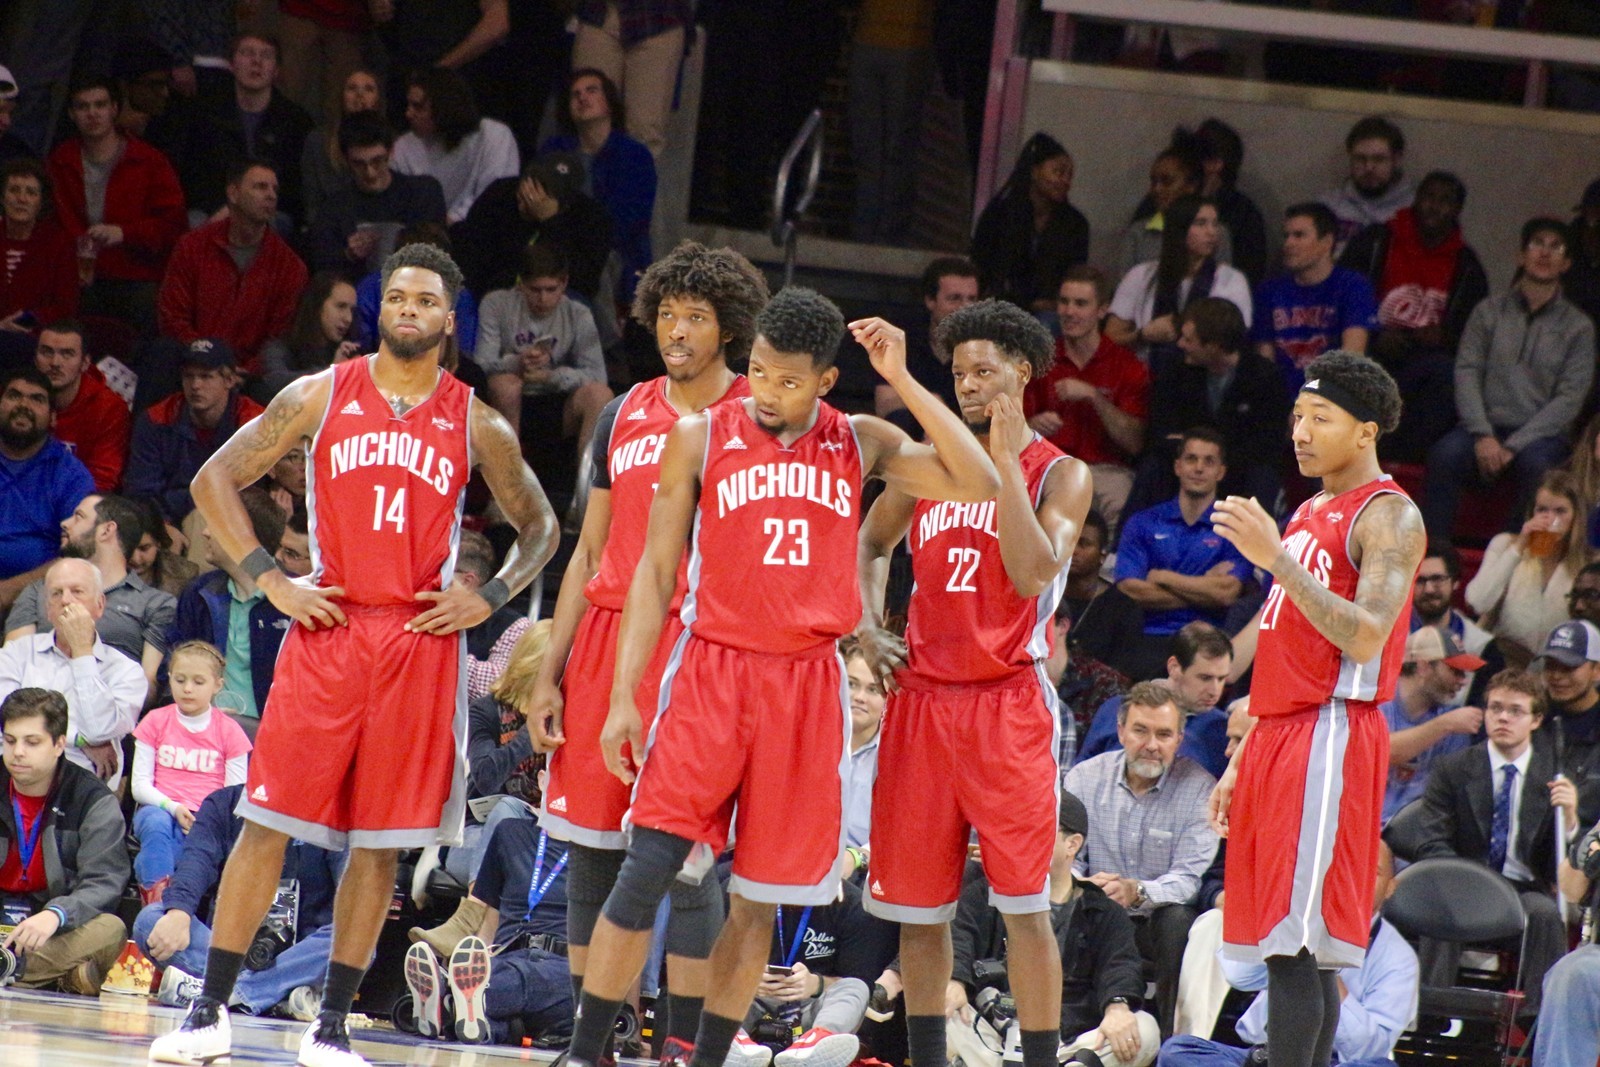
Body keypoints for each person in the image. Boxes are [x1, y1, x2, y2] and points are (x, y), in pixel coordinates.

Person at [555, 287, 1000, 1067]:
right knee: (647, 867)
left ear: (826, 381)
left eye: (788, 380)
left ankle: (706, 1058)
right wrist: (626, 695)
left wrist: (906, 374)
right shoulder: (699, 435)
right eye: (758, 371)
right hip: (710, 674)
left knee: (756, 898)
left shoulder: (860, 440)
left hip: (805, 686)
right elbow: (656, 575)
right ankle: (586, 1051)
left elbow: (980, 480)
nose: (766, 391)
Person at [148, 241, 559, 1067]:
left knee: (380, 842)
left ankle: (330, 1027)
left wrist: (490, 595)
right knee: (265, 823)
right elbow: (212, 482)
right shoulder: (319, 394)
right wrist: (270, 578)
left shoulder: (476, 417)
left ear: (449, 317)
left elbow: (543, 526)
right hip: (328, 630)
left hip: (417, 645)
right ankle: (209, 1010)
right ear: (384, 309)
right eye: (396, 296)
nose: (407, 309)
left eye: (423, 300)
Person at [525, 241, 767, 1053]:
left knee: (687, 860)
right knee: (592, 852)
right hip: (602, 638)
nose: (677, 329)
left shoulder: (753, 418)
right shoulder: (622, 411)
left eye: (696, 316)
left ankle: (686, 1042)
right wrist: (547, 673)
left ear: (729, 328)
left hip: (698, 645)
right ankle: (604, 1034)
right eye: (667, 313)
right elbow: (586, 552)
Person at [856, 297, 1091, 1067]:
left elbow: (1030, 570)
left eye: (984, 371)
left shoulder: (1065, 474)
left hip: (1006, 708)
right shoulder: (930, 465)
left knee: (1026, 910)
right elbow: (870, 541)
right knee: (920, 915)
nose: (967, 385)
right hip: (922, 703)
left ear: (1022, 374)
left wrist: (1003, 467)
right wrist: (867, 625)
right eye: (957, 373)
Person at [1208, 350, 1424, 1067]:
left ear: (1365, 431)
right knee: (1293, 945)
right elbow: (1279, 648)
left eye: (1319, 418)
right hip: (1283, 729)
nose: (1299, 431)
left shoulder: (1389, 513)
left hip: (1333, 728)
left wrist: (1278, 560)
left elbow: (1366, 633)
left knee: (1297, 944)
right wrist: (1243, 755)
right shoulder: (1306, 510)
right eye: (1297, 415)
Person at [949, 792, 1159, 1067]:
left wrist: (1116, 1006)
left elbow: (1121, 965)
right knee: (940, 1010)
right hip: (996, 1034)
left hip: (1073, 1037)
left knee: (1146, 1029)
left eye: (1035, 830)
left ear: (1072, 844)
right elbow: (959, 938)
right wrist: (954, 980)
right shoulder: (985, 894)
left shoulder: (1104, 911)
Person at [1159, 844, 1417, 1066]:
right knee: (1178, 1051)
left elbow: (1370, 1048)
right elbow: (1238, 975)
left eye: (1373, 872)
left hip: (1336, 1062)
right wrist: (1283, 931)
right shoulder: (1299, 919)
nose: (1358, 879)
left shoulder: (1398, 958)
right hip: (1262, 1055)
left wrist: (1325, 965)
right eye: (1351, 867)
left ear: (1390, 887)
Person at [1409, 668, 1572, 1013]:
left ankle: (1535, 1023)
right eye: (1495, 708)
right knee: (1439, 906)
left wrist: (1569, 819)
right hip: (1461, 881)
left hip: (1520, 891)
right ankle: (1428, 1013)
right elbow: (1432, 843)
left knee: (1545, 915)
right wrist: (1466, 883)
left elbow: (1558, 868)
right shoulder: (1452, 769)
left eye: (1515, 711)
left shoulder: (1551, 778)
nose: (1503, 718)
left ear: (1536, 720)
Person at [1065, 681, 1220, 1037]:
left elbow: (1189, 879)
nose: (1151, 745)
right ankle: (1062, 1033)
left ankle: (1172, 1041)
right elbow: (1065, 856)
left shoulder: (1200, 789)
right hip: (1094, 912)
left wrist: (1137, 891)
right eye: (1140, 731)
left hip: (1153, 921)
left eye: (1164, 734)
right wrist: (1082, 886)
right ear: (1120, 731)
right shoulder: (1084, 778)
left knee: (1179, 919)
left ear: (1180, 739)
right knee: (1058, 904)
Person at [1423, 217, 1595, 537]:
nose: (1544, 253)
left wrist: (1514, 445)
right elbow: (1467, 371)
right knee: (1444, 455)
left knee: (1539, 468)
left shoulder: (1579, 328)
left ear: (1567, 263)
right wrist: (1483, 434)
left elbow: (1570, 399)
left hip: (1541, 436)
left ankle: (1513, 560)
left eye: (1555, 247)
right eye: (1537, 244)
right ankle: (1434, 555)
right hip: (1483, 428)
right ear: (1520, 255)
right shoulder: (1488, 312)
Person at [134, 783, 340, 1020]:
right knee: (150, 920)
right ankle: (276, 995)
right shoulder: (224, 803)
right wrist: (178, 911)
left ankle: (223, 992)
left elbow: (351, 884)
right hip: (230, 948)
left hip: (301, 953)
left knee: (355, 939)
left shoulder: (333, 813)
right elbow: (196, 860)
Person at [1340, 172, 1489, 462]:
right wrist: (1376, 333)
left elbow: (1473, 333)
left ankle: (1405, 461)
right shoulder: (1375, 241)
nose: (1434, 206)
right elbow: (1345, 294)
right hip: (1372, 348)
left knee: (1444, 375)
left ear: (1457, 210)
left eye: (1445, 201)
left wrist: (1444, 337)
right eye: (1429, 197)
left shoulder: (1468, 267)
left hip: (1426, 361)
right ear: (1416, 200)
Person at [0, 687, 131, 995]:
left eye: (32, 742)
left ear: (59, 744)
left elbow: (104, 881)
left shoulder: (91, 799)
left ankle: (13, 968)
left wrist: (56, 914)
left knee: (110, 930)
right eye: (10, 740)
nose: (18, 751)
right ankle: (43, 975)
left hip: (47, 929)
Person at [403, 810, 574, 1046]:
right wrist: (478, 957)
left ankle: (446, 999)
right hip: (509, 953)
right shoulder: (510, 832)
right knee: (491, 1015)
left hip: (564, 965)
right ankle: (468, 1011)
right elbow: (491, 916)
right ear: (541, 781)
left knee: (546, 984)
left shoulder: (604, 852)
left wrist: (630, 1017)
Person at [45, 76, 186, 332]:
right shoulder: (60, 161)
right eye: (82, 107)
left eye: (100, 105)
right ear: (71, 114)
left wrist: (124, 233)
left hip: (135, 273)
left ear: (114, 109)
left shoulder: (149, 161)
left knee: (149, 307)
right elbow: (51, 221)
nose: (92, 114)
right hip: (76, 273)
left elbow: (173, 224)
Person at [1115, 429, 1253, 681]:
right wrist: (1203, 588)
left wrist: (1163, 576)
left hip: (1208, 641)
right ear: (1178, 466)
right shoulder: (1143, 522)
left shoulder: (1234, 527)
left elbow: (1226, 593)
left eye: (1208, 461)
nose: (1199, 468)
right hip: (1148, 637)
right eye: (1191, 459)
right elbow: (1129, 590)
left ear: (1221, 471)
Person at [7, 492, 175, 695]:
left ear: (106, 530)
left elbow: (149, 688)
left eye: (79, 516)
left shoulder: (155, 604)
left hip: (114, 714)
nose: (65, 523)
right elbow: (12, 667)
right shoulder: (39, 591)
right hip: (37, 715)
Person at [0, 558, 149, 786]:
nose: (66, 600)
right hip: (12, 779)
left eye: (77, 591)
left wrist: (82, 653)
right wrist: (79, 740)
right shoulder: (16, 654)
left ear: (100, 605)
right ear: (48, 609)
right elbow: (6, 720)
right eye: (56, 593)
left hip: (82, 790)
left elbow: (100, 731)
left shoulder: (125, 671)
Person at [156, 160, 311, 379]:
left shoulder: (290, 267)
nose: (271, 195)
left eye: (275, 189)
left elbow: (279, 337)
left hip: (247, 374)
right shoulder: (192, 246)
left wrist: (243, 370)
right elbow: (172, 316)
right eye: (260, 187)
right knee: (161, 353)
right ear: (234, 193)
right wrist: (207, 358)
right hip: (191, 360)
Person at [1023, 266, 1148, 534]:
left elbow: (1134, 442)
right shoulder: (1038, 360)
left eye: (1080, 304)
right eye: (1064, 302)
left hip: (1106, 472)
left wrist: (1094, 397)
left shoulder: (1127, 365)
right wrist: (1032, 424)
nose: (1069, 312)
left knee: (1120, 502)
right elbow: (1010, 432)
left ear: (1102, 310)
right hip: (1049, 466)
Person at [1140, 298, 1288, 513]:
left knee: (1262, 475)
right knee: (1153, 466)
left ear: (1215, 346)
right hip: (1187, 463)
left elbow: (1266, 446)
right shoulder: (1176, 371)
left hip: (1239, 470)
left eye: (1189, 340)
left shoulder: (1265, 377)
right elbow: (1161, 431)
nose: (1180, 344)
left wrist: (1213, 454)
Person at [130, 640, 251, 902]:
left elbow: (234, 796)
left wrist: (205, 819)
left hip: (207, 818)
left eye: (198, 682)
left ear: (217, 685)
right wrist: (173, 807)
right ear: (170, 679)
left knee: (190, 849)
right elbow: (139, 786)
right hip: (160, 808)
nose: (187, 689)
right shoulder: (154, 721)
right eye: (179, 679)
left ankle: (167, 902)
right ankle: (160, 902)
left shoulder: (230, 731)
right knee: (156, 824)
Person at [168, 488, 292, 738]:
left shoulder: (294, 599)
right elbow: (171, 664)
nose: (204, 532)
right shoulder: (198, 593)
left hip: (276, 739)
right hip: (203, 736)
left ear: (243, 534)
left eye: (214, 524)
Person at [163, 33, 314, 228]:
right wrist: (227, 210)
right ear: (231, 64)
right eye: (247, 53)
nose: (256, 61)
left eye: (266, 55)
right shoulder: (203, 113)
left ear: (276, 70)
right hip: (213, 210)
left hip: (271, 212)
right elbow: (192, 176)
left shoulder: (295, 121)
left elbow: (295, 188)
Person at [477, 243, 611, 455]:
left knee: (600, 395)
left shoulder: (578, 314)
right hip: (507, 402)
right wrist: (516, 363)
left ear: (564, 283)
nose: (543, 299)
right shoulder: (496, 304)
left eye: (551, 290)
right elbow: (480, 366)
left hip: (557, 403)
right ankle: (509, 478)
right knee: (505, 386)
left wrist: (551, 377)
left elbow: (598, 376)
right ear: (521, 283)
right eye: (535, 290)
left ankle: (588, 483)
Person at [540, 68, 655, 301]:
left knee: (595, 266)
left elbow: (627, 222)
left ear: (609, 103)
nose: (582, 97)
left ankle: (604, 337)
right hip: (554, 243)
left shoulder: (634, 155)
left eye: (591, 91)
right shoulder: (554, 151)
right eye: (575, 94)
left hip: (613, 252)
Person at [1106, 196, 1252, 376]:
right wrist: (1142, 335)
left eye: (1214, 224)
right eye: (1201, 223)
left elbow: (1233, 343)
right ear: (1179, 229)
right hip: (1145, 380)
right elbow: (1110, 339)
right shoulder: (1141, 275)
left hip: (1206, 381)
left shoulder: (1231, 280)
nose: (1212, 232)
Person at [124, 339, 265, 523]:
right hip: (164, 523)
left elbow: (247, 495)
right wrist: (163, 527)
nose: (195, 385)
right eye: (188, 376)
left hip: (230, 523)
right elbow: (140, 493)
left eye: (206, 376)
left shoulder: (253, 422)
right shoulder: (156, 419)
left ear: (229, 380)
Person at [1075, 622, 1234, 779]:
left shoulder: (1225, 730)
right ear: (1174, 667)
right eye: (1205, 678)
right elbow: (1080, 776)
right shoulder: (1117, 709)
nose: (1215, 691)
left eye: (1221, 679)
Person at [451, 152, 614, 303]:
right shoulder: (500, 195)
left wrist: (549, 223)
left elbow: (585, 283)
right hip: (491, 298)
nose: (534, 194)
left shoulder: (591, 217)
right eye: (533, 183)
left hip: (554, 306)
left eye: (547, 190)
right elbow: (469, 256)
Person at [1463, 469, 1586, 667]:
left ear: (1576, 516)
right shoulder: (1504, 544)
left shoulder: (1586, 562)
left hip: (1560, 667)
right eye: (1542, 510)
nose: (1549, 518)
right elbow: (1478, 602)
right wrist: (1518, 547)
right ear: (1531, 512)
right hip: (1504, 660)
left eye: (1560, 511)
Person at [1251, 202, 1377, 394]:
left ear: (1326, 242)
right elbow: (1264, 359)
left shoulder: (1352, 286)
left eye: (1299, 235)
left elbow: (1352, 355)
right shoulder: (1269, 290)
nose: (1288, 243)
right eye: (1287, 236)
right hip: (1280, 399)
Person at [305, 112, 447, 275]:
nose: (370, 172)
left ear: (391, 151)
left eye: (377, 160)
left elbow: (437, 255)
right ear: (345, 159)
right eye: (359, 164)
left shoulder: (423, 193)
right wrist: (348, 255)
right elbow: (323, 269)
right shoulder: (334, 209)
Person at [0, 367, 95, 609]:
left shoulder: (70, 475)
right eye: (14, 396)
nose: (23, 405)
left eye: (37, 399)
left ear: (53, 417)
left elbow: (79, 554)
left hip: (34, 602)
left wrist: (7, 592)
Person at [970, 133, 1088, 315]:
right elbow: (982, 268)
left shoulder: (1075, 224)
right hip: (1000, 305)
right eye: (1058, 172)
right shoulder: (1000, 214)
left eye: (1069, 175)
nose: (1065, 181)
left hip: (1051, 312)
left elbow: (1075, 277)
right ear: (1034, 171)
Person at [1381, 625, 1485, 823]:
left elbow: (1451, 792)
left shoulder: (1454, 719)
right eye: (1455, 671)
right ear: (1423, 666)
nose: (1462, 681)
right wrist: (1442, 726)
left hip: (1416, 832)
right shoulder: (1377, 702)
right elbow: (1376, 753)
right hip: (1364, 825)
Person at [393, 67, 519, 226]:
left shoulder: (494, 135)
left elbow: (495, 197)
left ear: (444, 107)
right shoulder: (403, 147)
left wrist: (451, 220)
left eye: (418, 107)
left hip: (481, 231)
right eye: (409, 105)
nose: (408, 114)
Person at [571, 0, 693, 158]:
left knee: (644, 131)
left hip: (658, 17)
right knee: (589, 124)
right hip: (599, 13)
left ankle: (633, 179)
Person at [872, 256, 977, 437]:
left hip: (965, 446)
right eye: (954, 299)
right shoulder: (905, 339)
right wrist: (931, 402)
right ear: (930, 300)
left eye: (972, 299)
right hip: (910, 440)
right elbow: (885, 404)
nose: (965, 308)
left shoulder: (987, 350)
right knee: (902, 418)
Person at [33, 320, 129, 492]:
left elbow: (102, 480)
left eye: (67, 354)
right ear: (35, 359)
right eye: (47, 352)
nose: (55, 362)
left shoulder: (108, 407)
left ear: (85, 363)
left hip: (74, 505)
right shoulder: (15, 396)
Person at [0, 159, 78, 365]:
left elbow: (64, 306)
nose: (22, 199)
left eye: (31, 192)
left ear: (41, 202)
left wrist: (21, 321)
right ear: (2, 197)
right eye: (14, 190)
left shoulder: (59, 243)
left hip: (36, 338)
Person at [1316, 116, 1415, 254]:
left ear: (1397, 160)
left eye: (1379, 159)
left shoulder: (1415, 211)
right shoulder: (1328, 207)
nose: (1368, 167)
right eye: (1360, 159)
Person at [257, 272, 361, 399]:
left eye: (352, 310)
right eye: (341, 306)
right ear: (317, 306)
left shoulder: (347, 353)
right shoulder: (279, 348)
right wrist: (331, 372)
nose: (348, 318)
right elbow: (273, 383)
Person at [300, 69, 382, 226]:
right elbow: (312, 202)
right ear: (341, 97)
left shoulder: (391, 141)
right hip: (331, 225)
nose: (360, 94)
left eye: (368, 89)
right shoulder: (318, 142)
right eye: (352, 88)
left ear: (378, 99)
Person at [457, 529, 531, 701]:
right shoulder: (416, 608)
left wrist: (433, 651)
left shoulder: (514, 626)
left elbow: (496, 687)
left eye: (441, 570)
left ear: (467, 581)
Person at [841, 638, 885, 851]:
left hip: (863, 867)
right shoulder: (813, 742)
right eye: (851, 684)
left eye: (873, 690)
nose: (859, 697)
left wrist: (857, 857)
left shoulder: (894, 758)